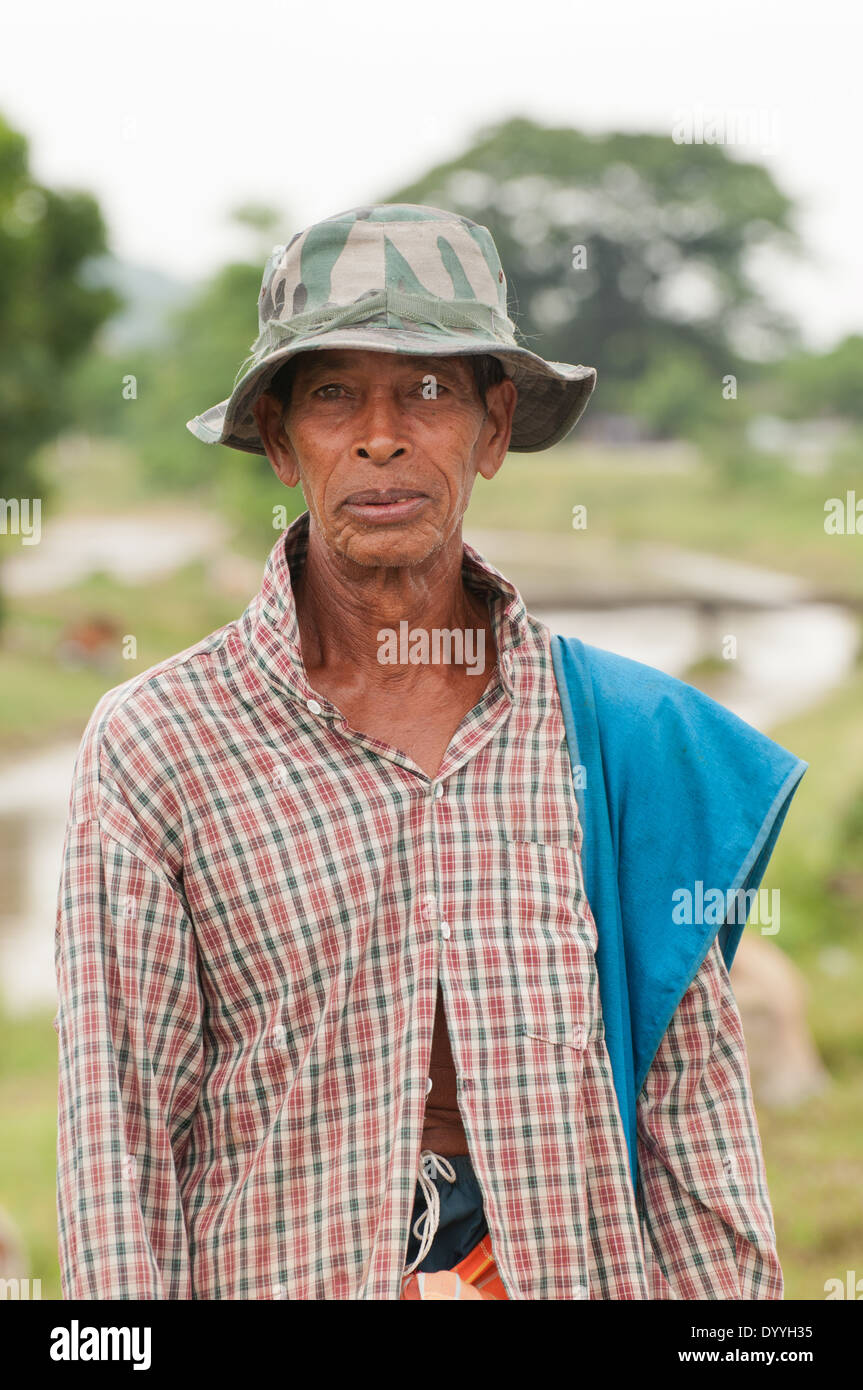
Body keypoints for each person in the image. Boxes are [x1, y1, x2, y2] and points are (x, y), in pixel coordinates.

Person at [54, 203, 804, 1300]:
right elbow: (115, 1148)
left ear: (492, 428)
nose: (379, 434)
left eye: (428, 389)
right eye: (330, 394)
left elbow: (693, 1136)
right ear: (277, 439)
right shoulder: (160, 746)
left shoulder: (629, 739)